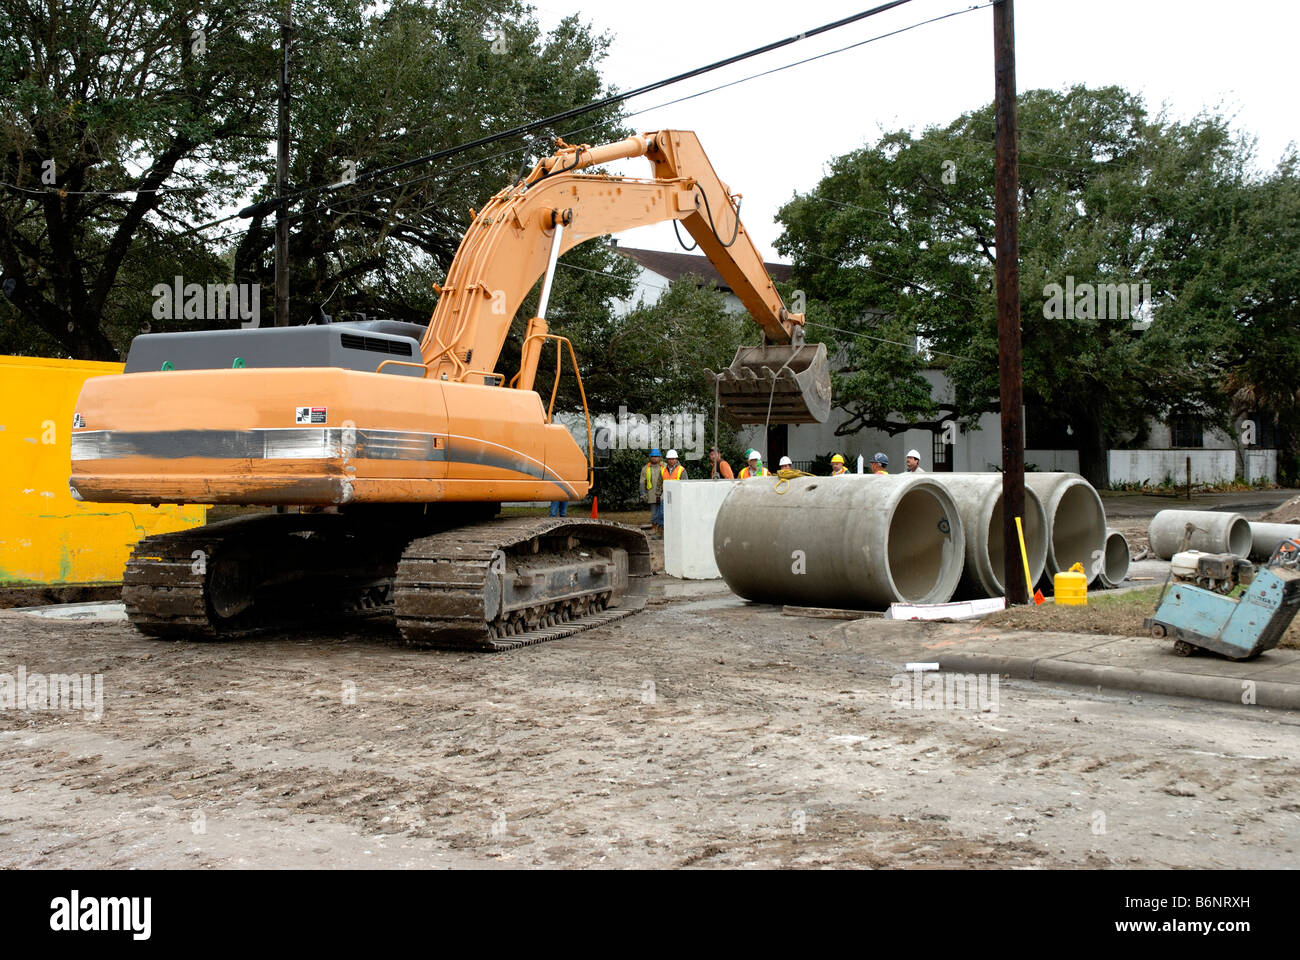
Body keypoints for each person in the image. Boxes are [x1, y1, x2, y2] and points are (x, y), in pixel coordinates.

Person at [642, 448, 664, 535]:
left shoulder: (664, 466)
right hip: (651, 495)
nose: (654, 458)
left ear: (660, 457)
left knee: (663, 512)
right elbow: (642, 482)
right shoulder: (646, 468)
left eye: (656, 456)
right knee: (654, 513)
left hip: (663, 494)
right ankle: (654, 528)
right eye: (653, 456)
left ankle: (661, 529)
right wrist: (643, 494)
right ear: (650, 457)